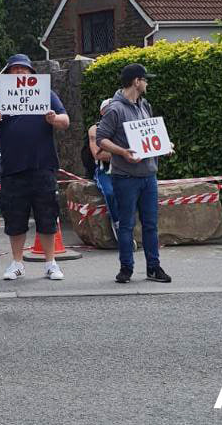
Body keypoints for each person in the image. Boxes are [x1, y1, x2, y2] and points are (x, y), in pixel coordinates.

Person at [0, 54, 70, 281]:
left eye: (24, 69)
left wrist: (53, 119)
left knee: (47, 216)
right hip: (13, 167)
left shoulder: (46, 94)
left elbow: (65, 121)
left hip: (43, 165)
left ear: (31, 73)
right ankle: (17, 262)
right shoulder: (0, 96)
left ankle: (50, 262)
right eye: (15, 69)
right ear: (9, 73)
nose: (20, 73)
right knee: (15, 217)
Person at [96, 64, 173, 284]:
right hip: (126, 177)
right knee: (127, 224)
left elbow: (149, 137)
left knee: (151, 224)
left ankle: (153, 267)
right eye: (145, 80)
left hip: (148, 175)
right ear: (136, 82)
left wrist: (164, 145)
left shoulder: (144, 105)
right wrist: (122, 152)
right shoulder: (115, 109)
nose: (147, 83)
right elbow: (101, 138)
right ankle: (126, 269)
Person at [87, 97, 120, 229]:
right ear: (102, 112)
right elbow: (97, 153)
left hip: (126, 169)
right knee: (110, 192)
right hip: (105, 170)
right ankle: (117, 223)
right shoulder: (95, 129)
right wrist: (124, 153)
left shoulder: (124, 126)